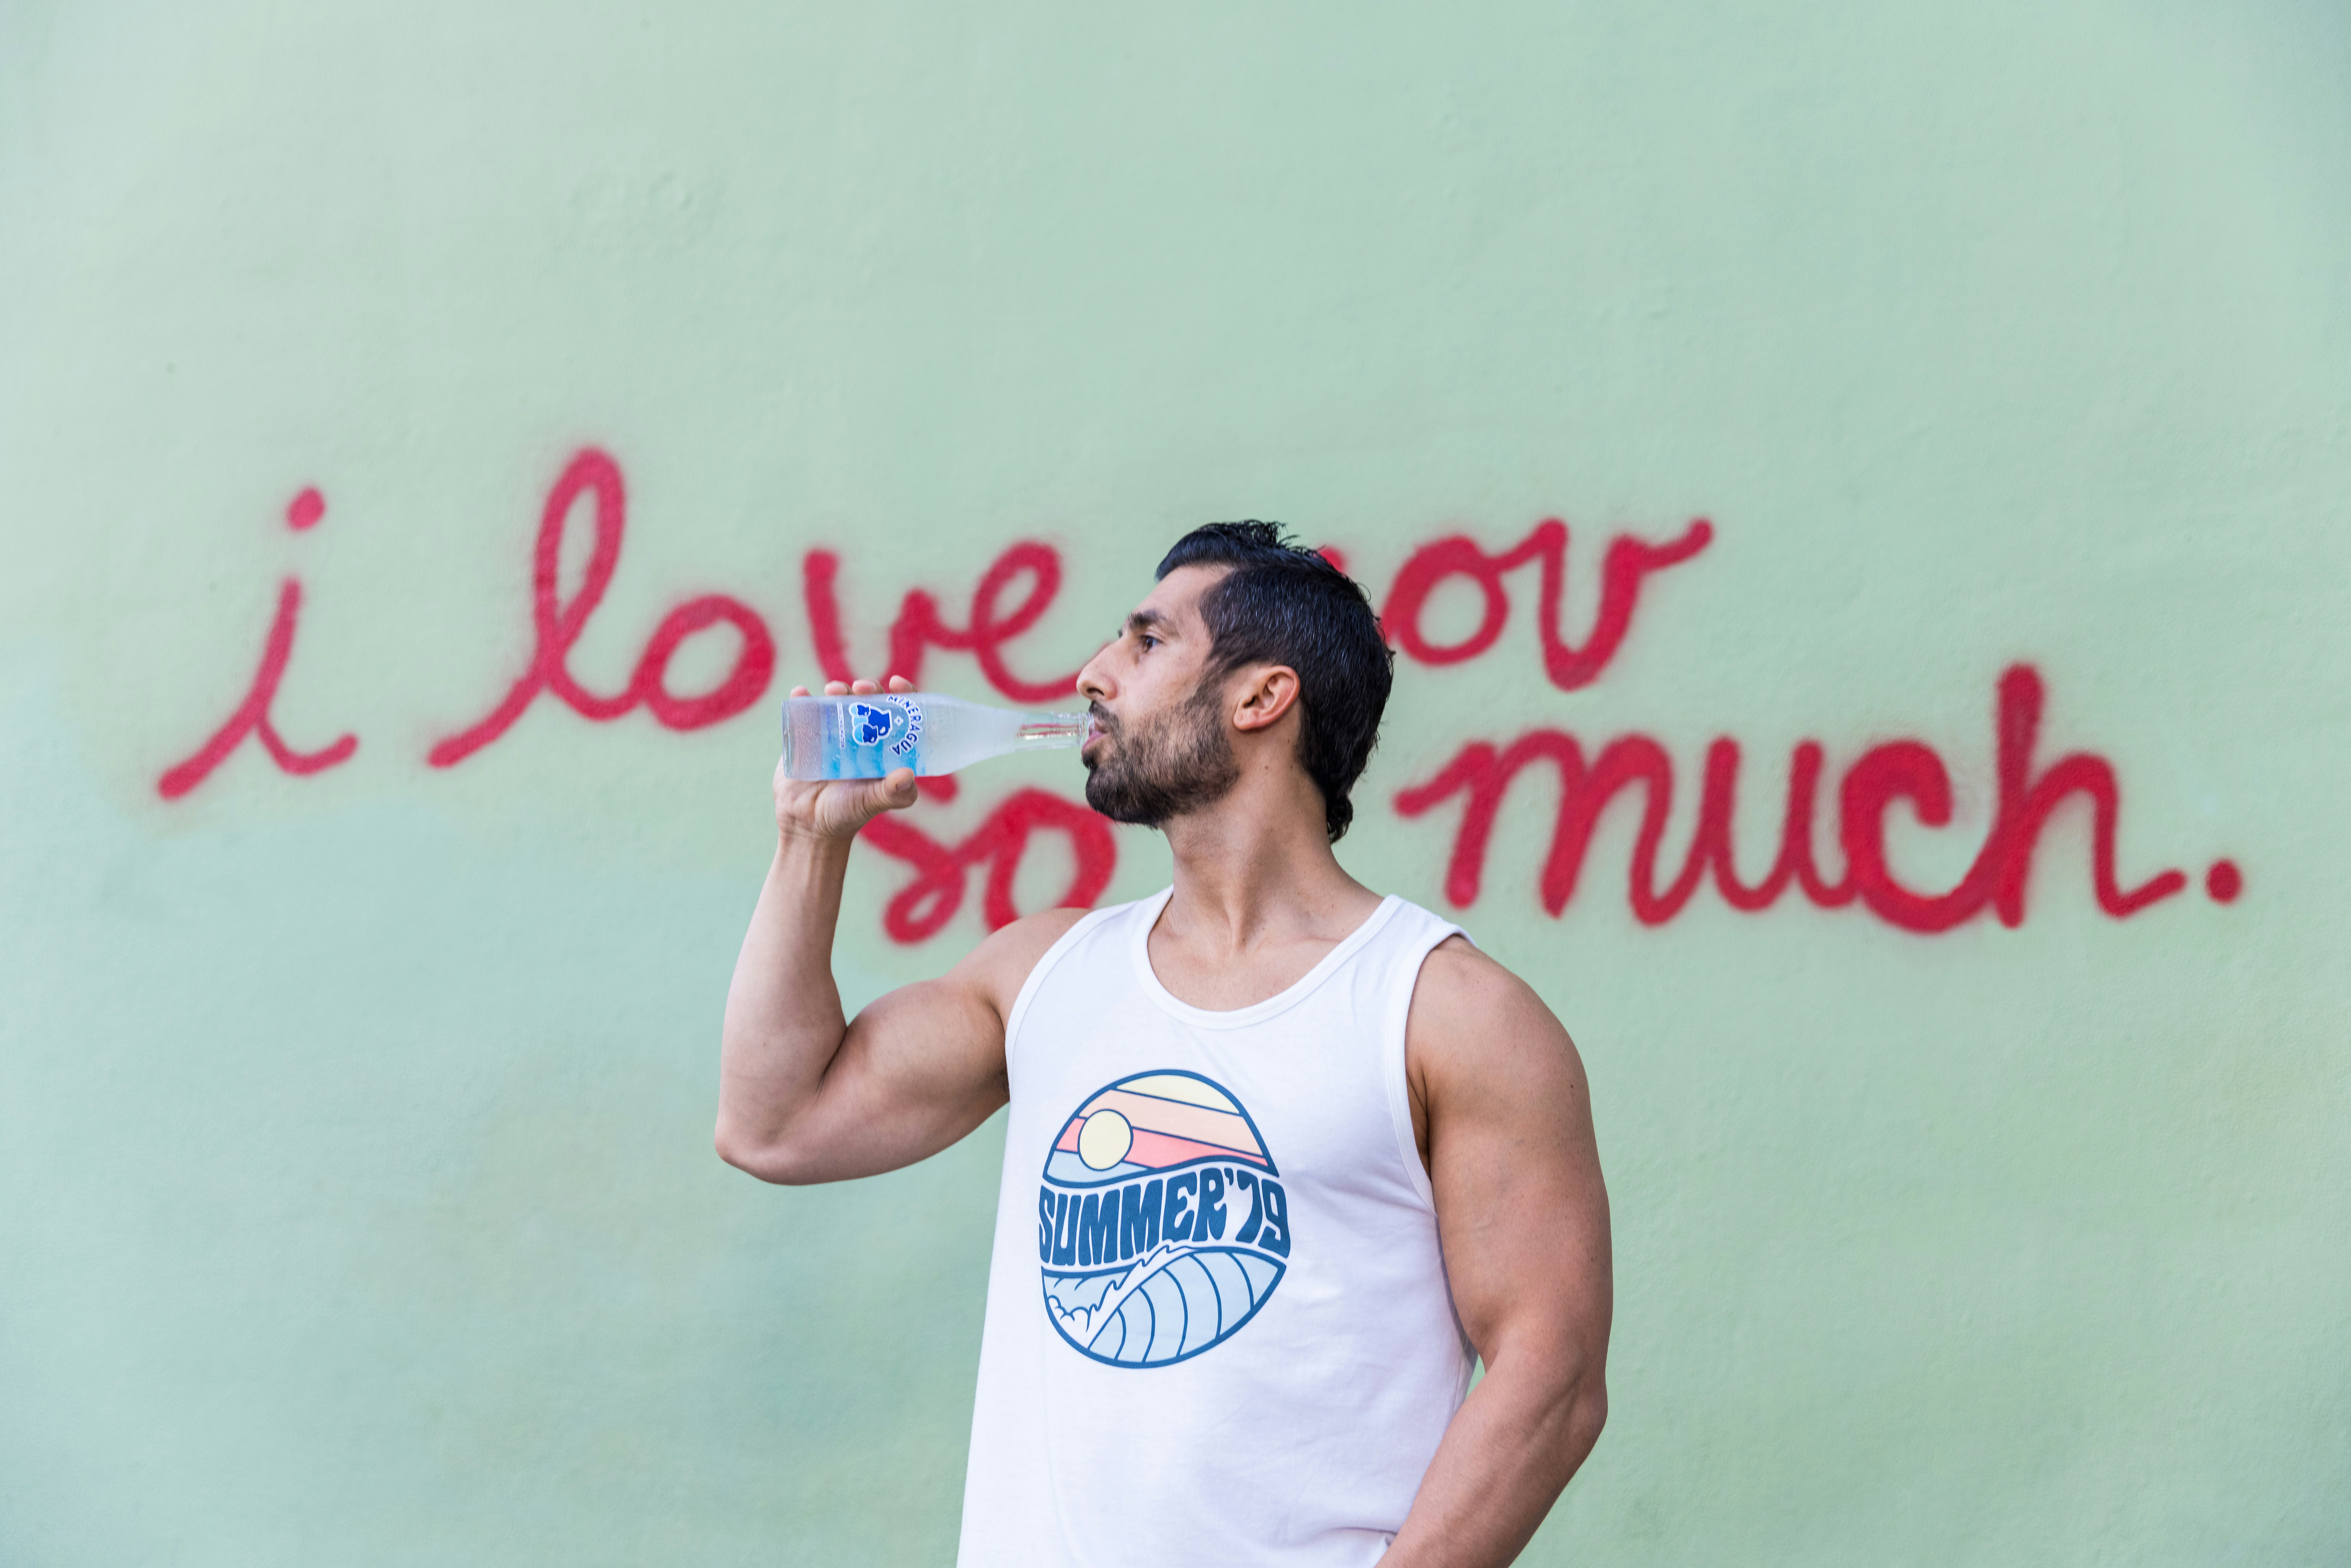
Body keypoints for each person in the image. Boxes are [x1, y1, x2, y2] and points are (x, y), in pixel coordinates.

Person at [717, 523, 1612, 1567]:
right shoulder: (1042, 974)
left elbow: (1552, 1381)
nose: (1094, 673)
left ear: (1259, 698)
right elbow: (775, 1123)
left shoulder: (1445, 1011)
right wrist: (808, 842)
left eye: (1145, 643)